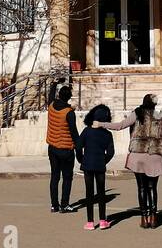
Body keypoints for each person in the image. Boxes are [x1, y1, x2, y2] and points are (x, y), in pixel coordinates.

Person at [96, 93, 162, 228]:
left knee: (141, 187)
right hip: (155, 155)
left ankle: (144, 218)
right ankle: (153, 218)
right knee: (152, 187)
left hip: (138, 154)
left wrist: (101, 124)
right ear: (155, 104)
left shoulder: (137, 113)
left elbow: (120, 125)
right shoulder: (159, 116)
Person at [76, 104, 115, 230]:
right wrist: (104, 161)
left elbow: (78, 146)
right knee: (101, 193)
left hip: (87, 164)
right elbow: (110, 152)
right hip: (100, 165)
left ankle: (90, 222)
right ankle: (103, 220)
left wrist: (81, 159)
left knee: (89, 193)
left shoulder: (87, 131)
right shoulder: (107, 134)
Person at [46, 85, 80, 213]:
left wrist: (53, 84)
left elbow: (50, 96)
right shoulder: (69, 113)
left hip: (53, 148)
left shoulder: (51, 106)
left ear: (59, 95)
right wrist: (79, 150)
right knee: (67, 177)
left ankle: (54, 205)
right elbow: (74, 133)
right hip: (66, 149)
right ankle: (64, 204)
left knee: (55, 177)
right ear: (69, 98)